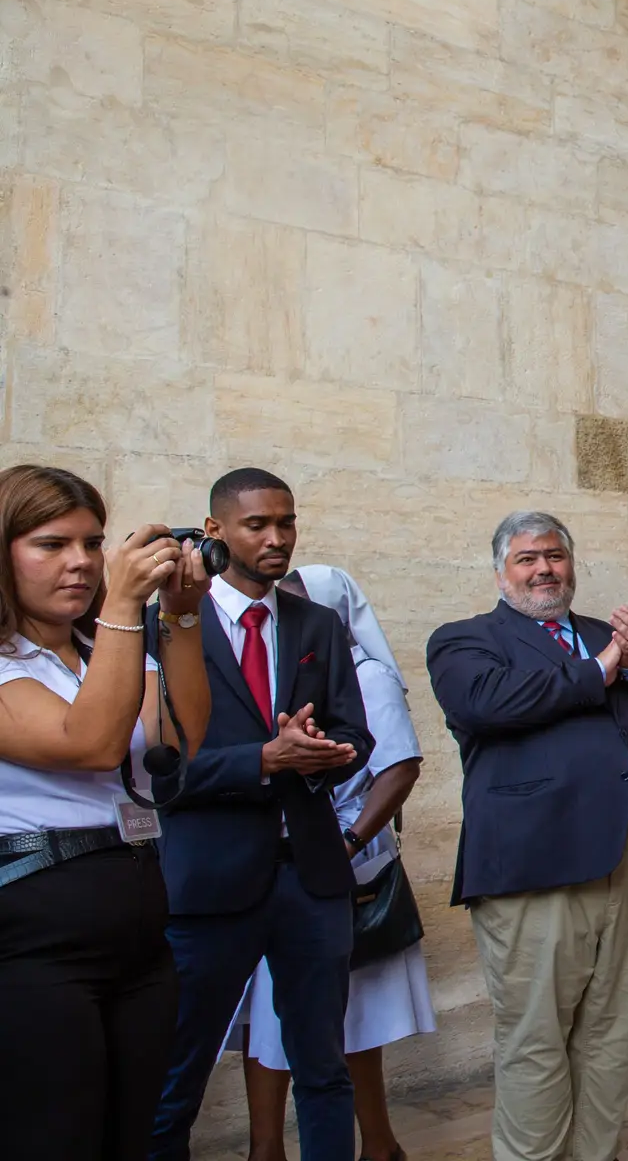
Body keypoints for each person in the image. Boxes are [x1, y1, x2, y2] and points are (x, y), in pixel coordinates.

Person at [427, 511, 628, 1161]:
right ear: (500, 572)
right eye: (526, 558)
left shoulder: (606, 635)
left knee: (610, 1031)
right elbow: (486, 704)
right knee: (536, 1038)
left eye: (554, 556)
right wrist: (601, 668)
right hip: (534, 867)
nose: (544, 568)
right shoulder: (465, 641)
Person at [149, 470, 374, 1161]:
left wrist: (322, 751)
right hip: (209, 881)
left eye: (287, 522)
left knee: (324, 1069)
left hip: (310, 880)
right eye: (257, 525)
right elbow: (159, 775)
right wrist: (265, 760)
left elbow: (358, 738)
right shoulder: (163, 627)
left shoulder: (317, 624)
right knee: (175, 1076)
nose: (277, 538)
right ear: (214, 530)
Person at [0, 466, 210, 1161]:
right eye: (52, 544)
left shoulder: (103, 648)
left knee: (131, 1138)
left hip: (141, 934)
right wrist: (124, 604)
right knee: (56, 1136)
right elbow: (88, 743)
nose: (82, 563)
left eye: (93, 544)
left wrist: (179, 615)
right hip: (35, 943)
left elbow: (181, 739)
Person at [231, 565, 433, 1161]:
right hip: (271, 866)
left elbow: (398, 768)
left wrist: (345, 844)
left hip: (338, 867)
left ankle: (376, 1144)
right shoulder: (275, 666)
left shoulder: (366, 675)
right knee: (267, 1020)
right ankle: (266, 1146)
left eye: (297, 603)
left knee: (346, 1022)